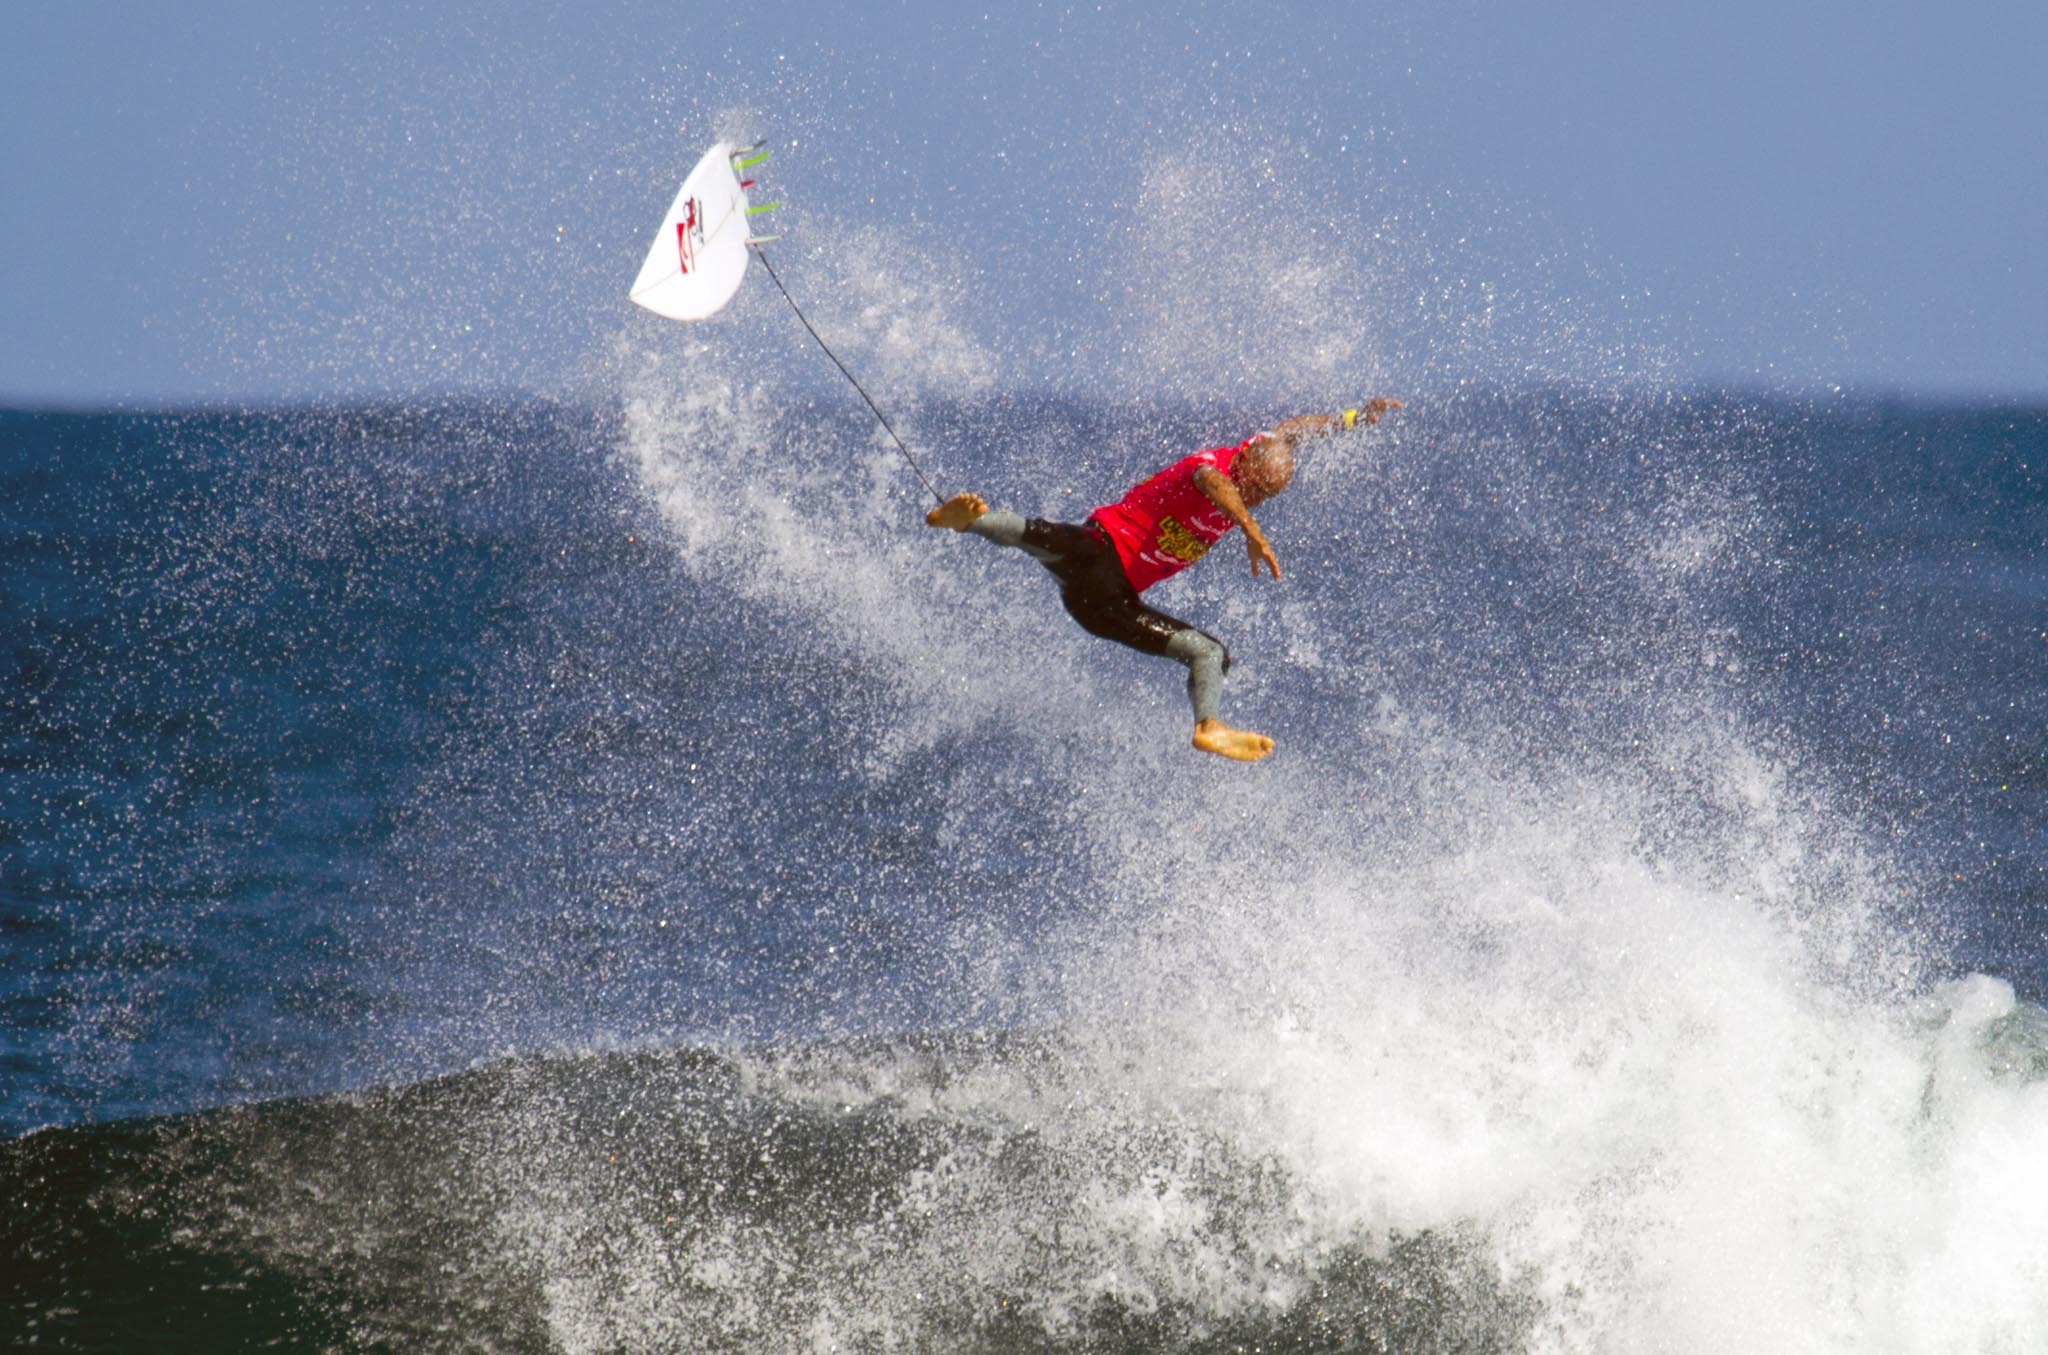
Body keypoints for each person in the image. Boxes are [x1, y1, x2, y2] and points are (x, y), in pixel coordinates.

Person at [926, 398, 1402, 762]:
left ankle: (1209, 726)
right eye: (1253, 487)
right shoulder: (1211, 469)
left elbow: (1293, 432)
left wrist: (1352, 418)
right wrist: (1251, 530)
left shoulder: (1262, 449)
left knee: (1210, 652)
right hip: (1102, 551)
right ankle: (965, 521)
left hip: (1111, 605)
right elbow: (1213, 486)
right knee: (1063, 541)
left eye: (1264, 496)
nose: (1253, 497)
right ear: (1244, 462)